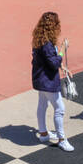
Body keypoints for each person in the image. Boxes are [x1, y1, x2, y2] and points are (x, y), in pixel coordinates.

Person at [31, 11, 73, 151]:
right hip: (48, 81)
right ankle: (61, 139)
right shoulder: (47, 44)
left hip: (40, 79)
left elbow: (46, 60)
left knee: (42, 104)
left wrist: (62, 66)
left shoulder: (39, 40)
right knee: (60, 109)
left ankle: (43, 133)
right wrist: (62, 50)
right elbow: (53, 63)